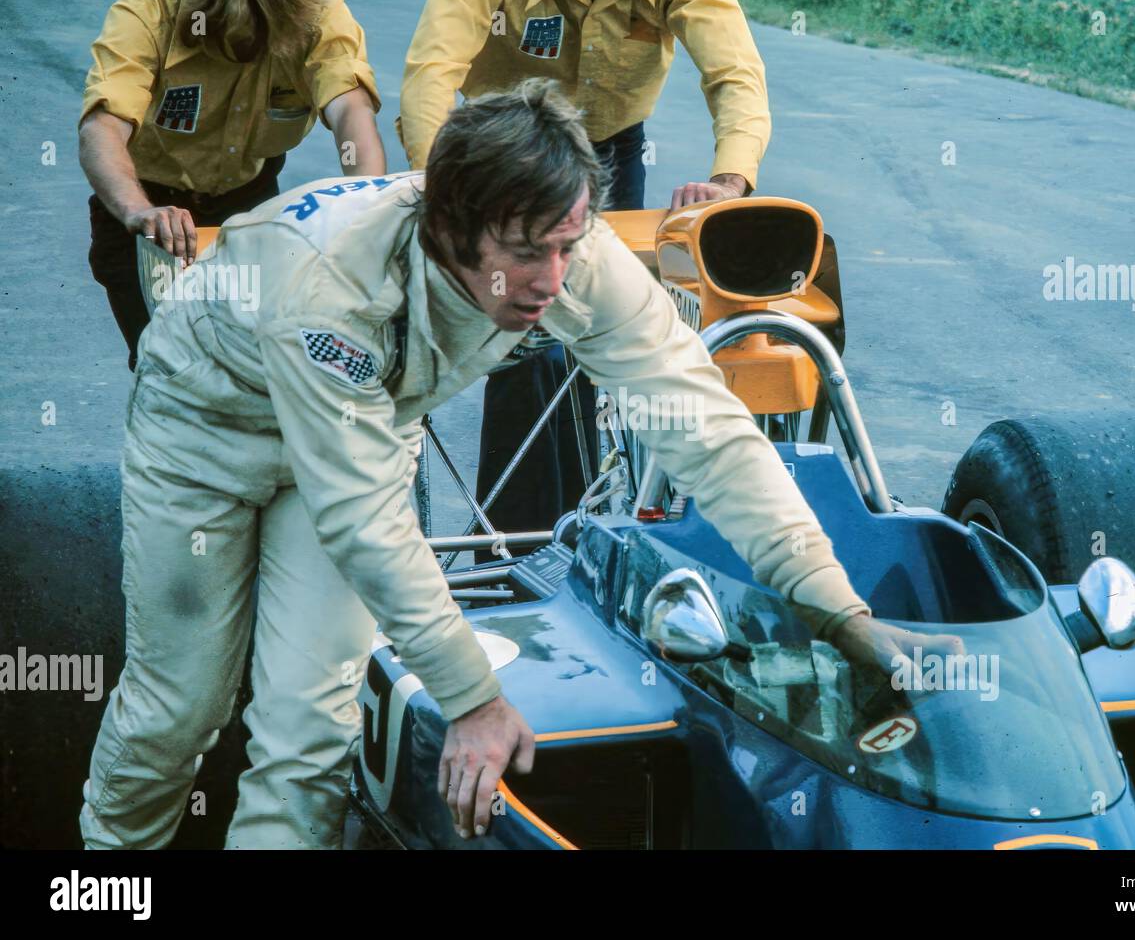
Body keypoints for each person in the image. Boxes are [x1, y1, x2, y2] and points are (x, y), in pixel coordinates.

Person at [80, 79, 879, 850]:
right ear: (452, 227)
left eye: (567, 247)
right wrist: (474, 700)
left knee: (310, 729)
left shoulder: (567, 245)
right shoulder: (330, 287)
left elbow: (707, 429)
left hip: (362, 427)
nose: (552, 280)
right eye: (528, 254)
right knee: (176, 710)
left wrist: (836, 607)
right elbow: (363, 520)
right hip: (204, 434)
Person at [398, 0, 773, 540]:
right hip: (506, 150)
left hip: (612, 149)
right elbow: (432, 72)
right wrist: (446, 195)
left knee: (618, 335)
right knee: (525, 344)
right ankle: (516, 554)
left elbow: (735, 74)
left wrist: (728, 182)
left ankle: (612, 526)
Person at [80, 0, 386, 371]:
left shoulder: (316, 10)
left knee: (258, 367)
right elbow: (101, 128)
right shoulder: (148, 10)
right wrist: (138, 210)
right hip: (151, 215)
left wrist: (370, 209)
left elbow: (350, 112)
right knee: (172, 371)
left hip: (245, 207)